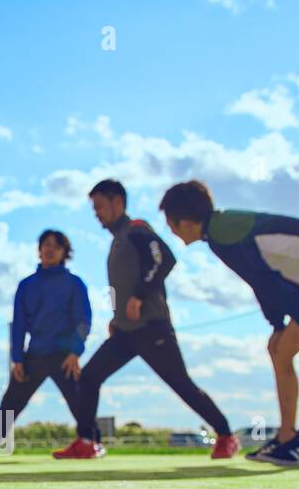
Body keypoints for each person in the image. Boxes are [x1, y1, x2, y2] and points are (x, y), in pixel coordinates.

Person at [159, 180, 299, 467]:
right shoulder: (221, 231)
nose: (171, 231)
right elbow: (263, 281)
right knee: (280, 349)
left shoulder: (224, 235)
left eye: (171, 224)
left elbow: (266, 282)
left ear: (185, 222)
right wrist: (277, 325)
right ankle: (287, 437)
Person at [53, 179, 240, 461]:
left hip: (152, 327)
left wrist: (140, 296)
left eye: (100, 206)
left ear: (118, 202)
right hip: (126, 332)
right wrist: (116, 317)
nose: (97, 213)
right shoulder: (116, 242)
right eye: (94, 208)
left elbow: (164, 259)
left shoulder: (137, 230)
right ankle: (87, 441)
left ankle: (226, 435)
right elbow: (119, 286)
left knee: (181, 384)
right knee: (89, 376)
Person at [0, 229, 90, 456]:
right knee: (12, 399)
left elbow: (83, 320)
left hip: (65, 356)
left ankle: (91, 442)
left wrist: (75, 351)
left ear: (64, 252)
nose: (49, 249)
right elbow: (19, 324)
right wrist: (17, 358)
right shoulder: (27, 285)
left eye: (55, 245)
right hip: (35, 354)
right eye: (45, 245)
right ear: (39, 250)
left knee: (80, 399)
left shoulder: (74, 284)